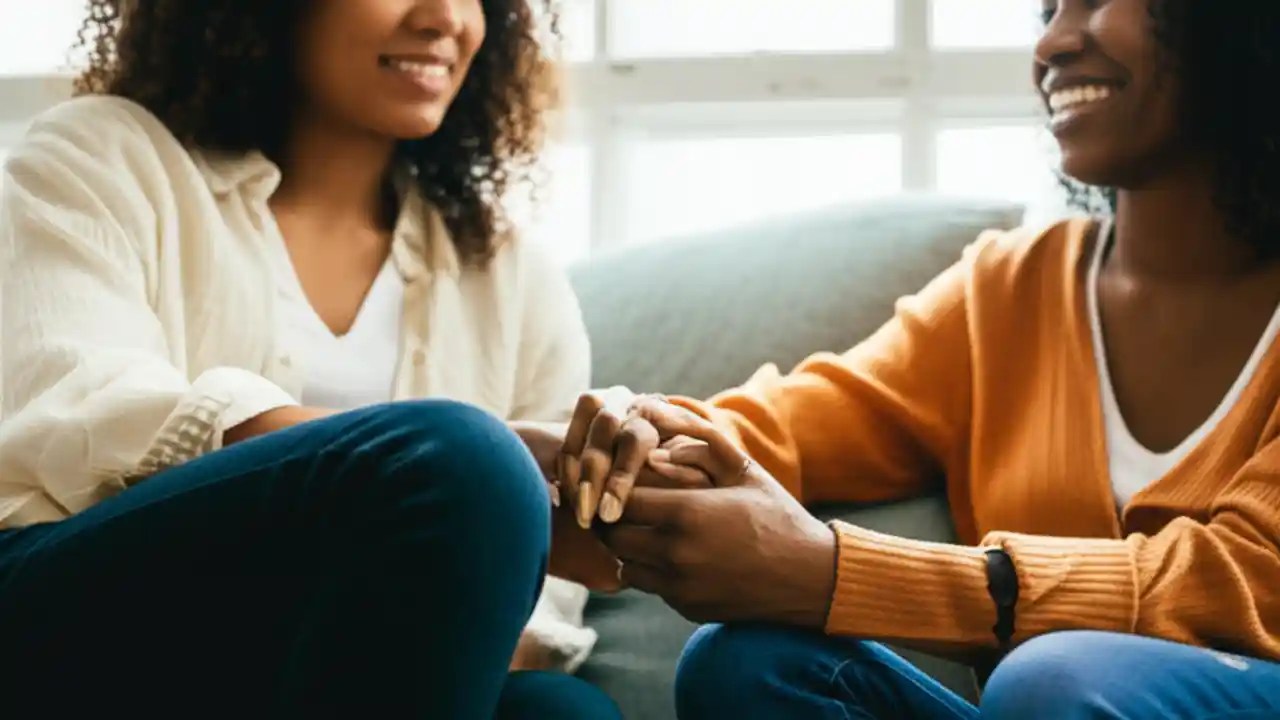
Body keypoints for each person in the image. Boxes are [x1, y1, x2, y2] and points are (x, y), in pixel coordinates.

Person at [558, 0, 1280, 717]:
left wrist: (832, 572)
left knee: (1055, 680)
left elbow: (1249, 580)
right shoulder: (1012, 291)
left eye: (1093, 1)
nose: (1053, 42)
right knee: (748, 665)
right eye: (1051, 8)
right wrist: (642, 437)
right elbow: (803, 422)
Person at [0, 0, 621, 717]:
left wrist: (585, 504)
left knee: (559, 711)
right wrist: (451, 478)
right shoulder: (99, 155)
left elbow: (540, 612)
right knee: (466, 457)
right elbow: (85, 409)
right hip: (70, 617)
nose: (445, 17)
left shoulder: (511, 276)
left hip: (324, 663)